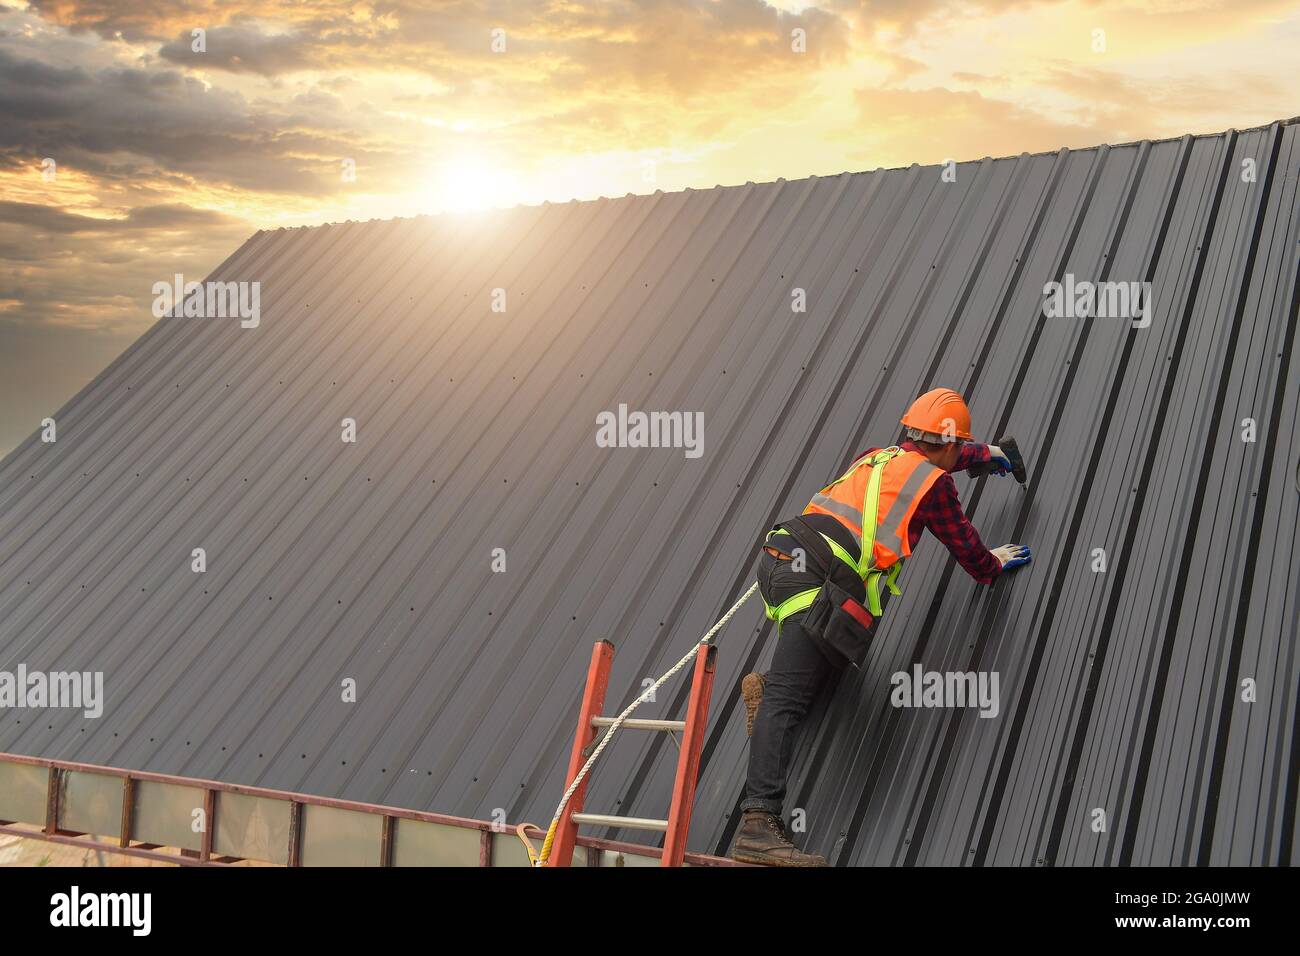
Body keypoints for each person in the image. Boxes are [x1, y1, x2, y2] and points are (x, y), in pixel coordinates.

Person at [731, 387, 1032, 866]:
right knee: (788, 697)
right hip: (817, 576)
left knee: (839, 648)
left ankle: (769, 690)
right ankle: (757, 825)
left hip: (784, 559)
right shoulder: (933, 484)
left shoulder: (877, 456)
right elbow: (966, 548)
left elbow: (935, 453)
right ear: (951, 444)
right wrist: (992, 565)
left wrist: (990, 454)